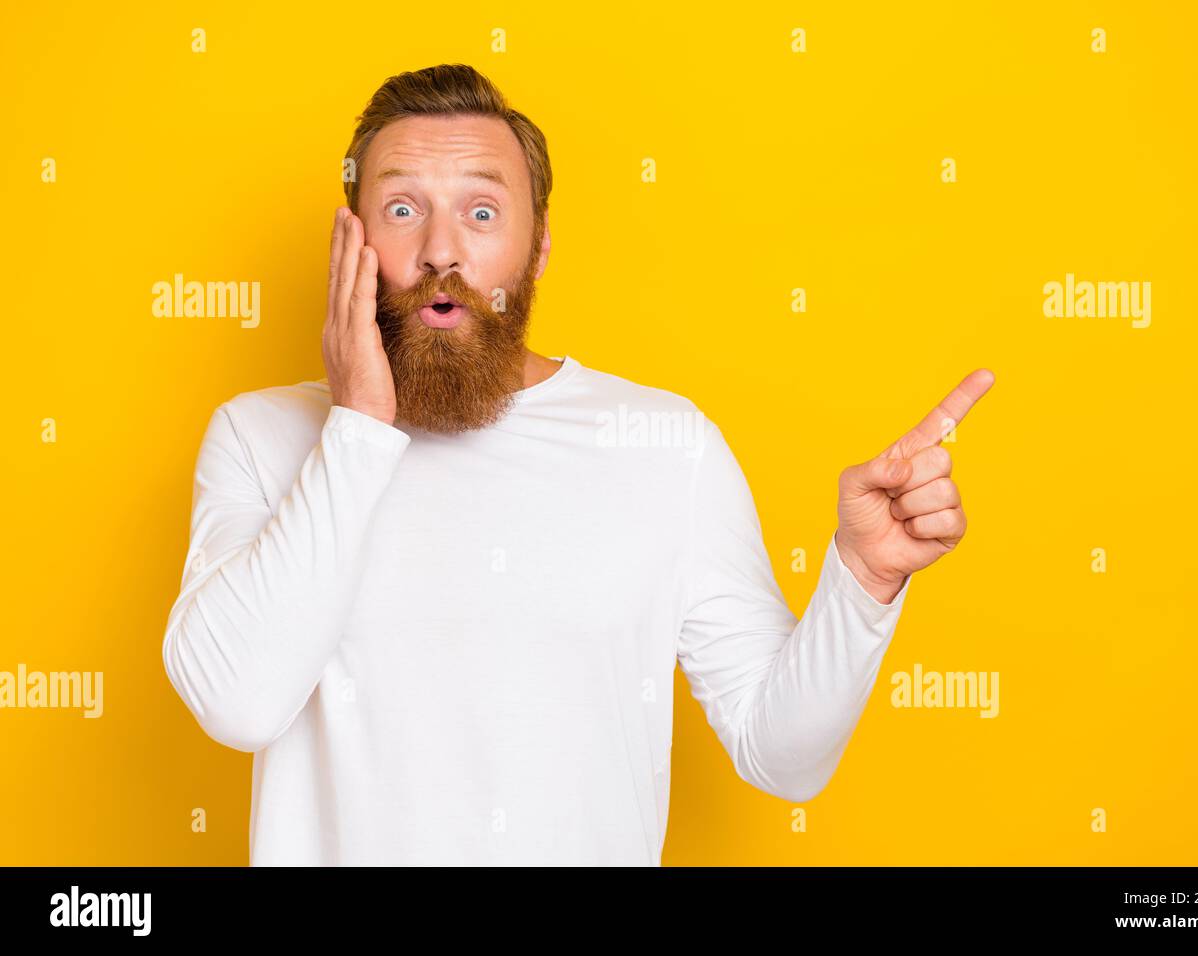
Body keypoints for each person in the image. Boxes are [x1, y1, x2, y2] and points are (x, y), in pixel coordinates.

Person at [161, 64, 995, 865]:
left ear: (539, 248)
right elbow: (238, 702)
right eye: (403, 209)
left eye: (483, 213)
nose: (441, 251)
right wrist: (356, 427)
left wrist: (861, 581)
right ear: (354, 241)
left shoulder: (664, 445)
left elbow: (782, 757)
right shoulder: (260, 438)